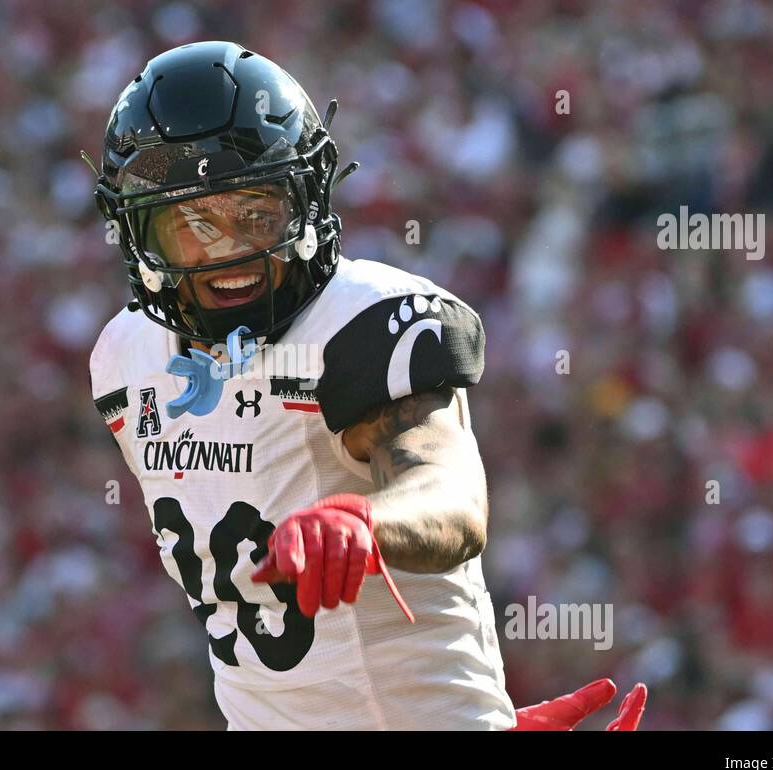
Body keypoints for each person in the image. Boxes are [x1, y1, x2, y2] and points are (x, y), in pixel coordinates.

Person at [85, 40, 644, 730]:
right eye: (191, 224)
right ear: (138, 234)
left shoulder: (361, 320)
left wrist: (365, 520)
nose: (228, 249)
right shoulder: (125, 356)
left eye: (256, 212)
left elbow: (450, 492)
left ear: (307, 195)